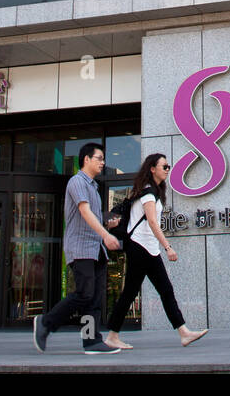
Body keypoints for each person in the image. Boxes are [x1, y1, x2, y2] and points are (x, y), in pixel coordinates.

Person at [105, 154, 208, 349]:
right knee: (131, 293)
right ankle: (112, 335)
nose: (168, 169)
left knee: (165, 290)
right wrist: (168, 247)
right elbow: (152, 222)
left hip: (149, 249)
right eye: (164, 166)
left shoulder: (154, 191)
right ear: (152, 168)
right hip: (139, 247)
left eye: (168, 166)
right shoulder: (148, 192)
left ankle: (184, 332)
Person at [33, 142, 122, 354]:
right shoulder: (77, 182)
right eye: (99, 158)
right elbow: (84, 212)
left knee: (94, 298)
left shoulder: (93, 187)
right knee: (84, 293)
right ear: (87, 159)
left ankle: (91, 342)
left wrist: (107, 223)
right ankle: (46, 322)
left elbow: (93, 217)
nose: (103, 162)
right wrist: (106, 234)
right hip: (81, 248)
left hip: (96, 249)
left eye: (103, 159)